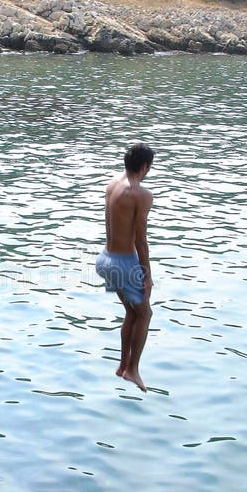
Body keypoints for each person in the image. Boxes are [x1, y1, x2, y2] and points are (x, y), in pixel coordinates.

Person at [95, 142, 154, 392]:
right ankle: (133, 369)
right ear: (144, 166)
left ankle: (122, 365)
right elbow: (140, 240)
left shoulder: (112, 185)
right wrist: (147, 275)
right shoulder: (140, 194)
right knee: (145, 314)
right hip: (124, 263)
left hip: (106, 260)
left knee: (132, 312)